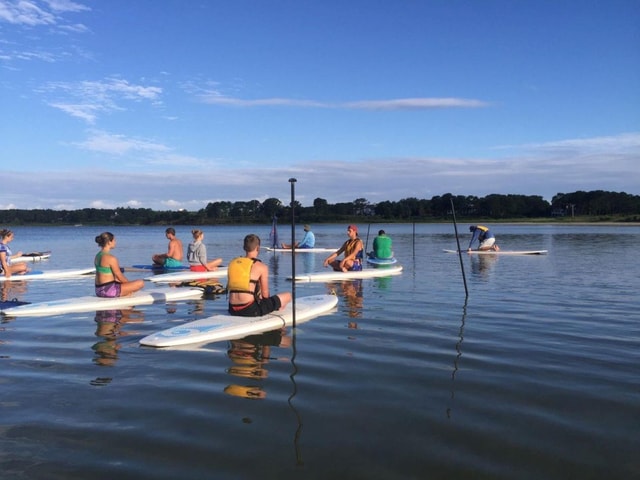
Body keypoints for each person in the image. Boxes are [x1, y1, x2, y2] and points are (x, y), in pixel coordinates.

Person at [227, 234, 291, 317]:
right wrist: (269, 304)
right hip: (249, 310)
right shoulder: (261, 266)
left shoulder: (233, 263)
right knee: (288, 296)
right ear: (258, 248)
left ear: (244, 247)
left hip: (232, 309)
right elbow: (265, 294)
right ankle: (277, 310)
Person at [95, 232, 145, 297]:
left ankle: (125, 292)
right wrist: (130, 286)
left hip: (98, 290)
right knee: (141, 283)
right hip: (108, 291)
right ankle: (127, 293)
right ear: (109, 242)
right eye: (114, 240)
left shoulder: (98, 256)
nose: (115, 242)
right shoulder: (111, 258)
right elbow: (119, 276)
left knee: (118, 281)